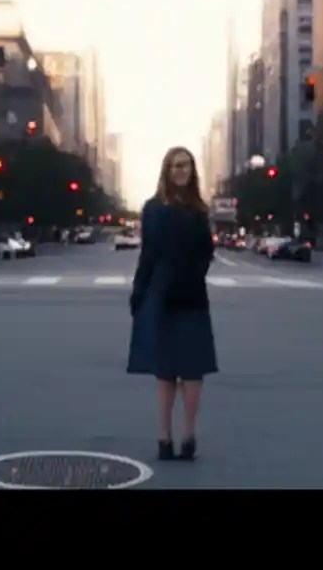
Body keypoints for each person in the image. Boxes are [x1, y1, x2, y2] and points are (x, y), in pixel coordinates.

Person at [127, 146, 218, 461]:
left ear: (193, 171)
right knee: (165, 370)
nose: (182, 171)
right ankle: (164, 438)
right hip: (161, 292)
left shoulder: (199, 209)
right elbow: (147, 255)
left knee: (193, 370)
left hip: (191, 294)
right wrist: (139, 291)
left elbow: (207, 253)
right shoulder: (153, 208)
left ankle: (189, 436)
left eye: (186, 165)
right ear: (167, 170)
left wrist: (192, 275)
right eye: (176, 165)